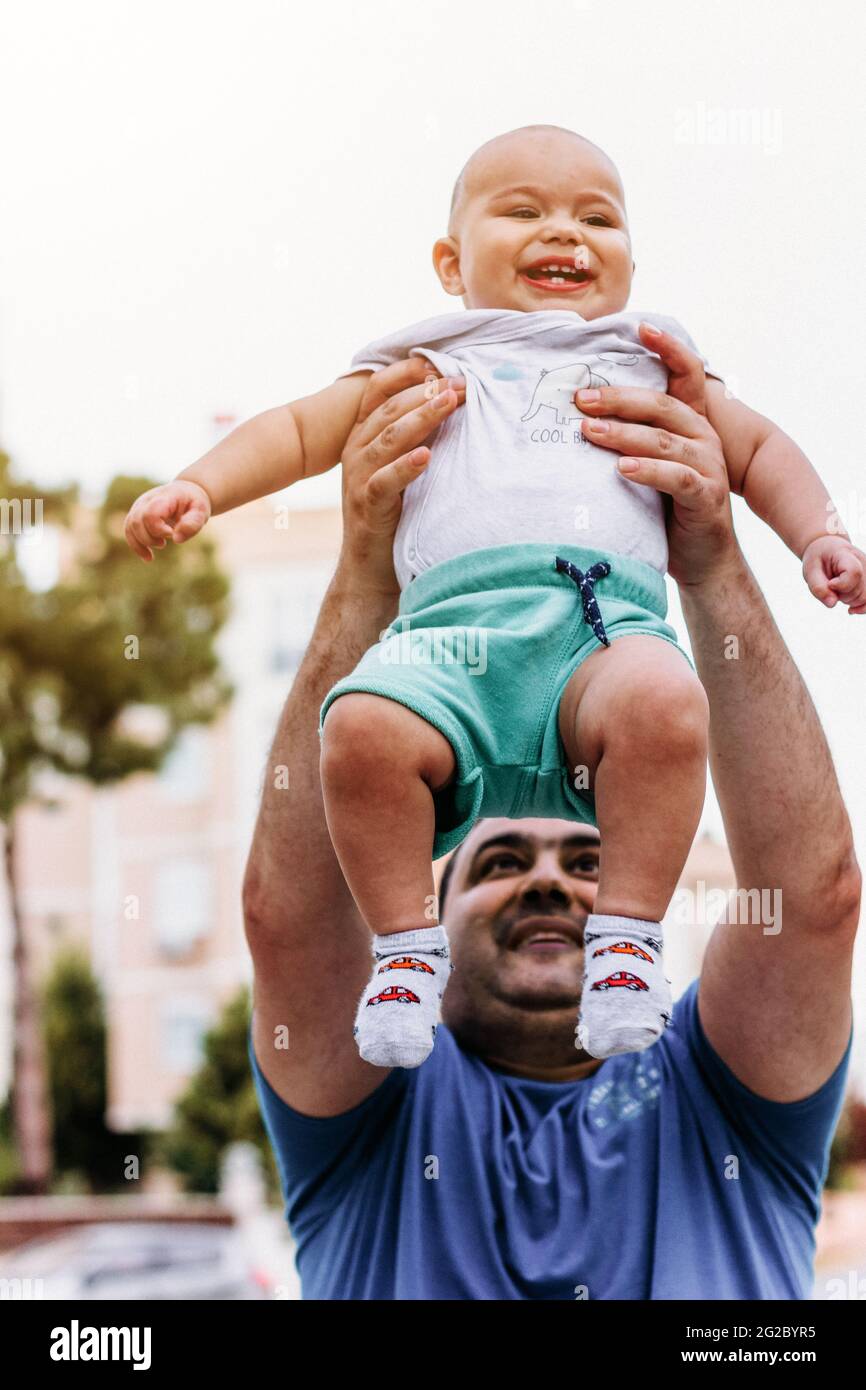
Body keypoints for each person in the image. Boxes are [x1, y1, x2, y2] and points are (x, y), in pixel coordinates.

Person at [124, 125, 864, 1067]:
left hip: (599, 632)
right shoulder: (432, 357)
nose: (565, 232)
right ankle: (403, 949)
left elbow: (760, 451)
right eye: (523, 211)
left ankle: (629, 941)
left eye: (597, 218)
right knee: (357, 730)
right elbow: (298, 429)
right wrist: (202, 486)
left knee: (671, 703)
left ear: (633, 260)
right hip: (446, 644)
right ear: (449, 261)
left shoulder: (648, 361)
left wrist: (822, 535)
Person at [242, 343, 858, 1300]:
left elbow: (812, 898)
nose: (548, 879)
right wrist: (371, 567)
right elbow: (287, 918)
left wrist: (708, 557)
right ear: (422, 926)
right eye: (494, 862)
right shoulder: (372, 1103)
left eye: (588, 858)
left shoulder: (729, 1100)